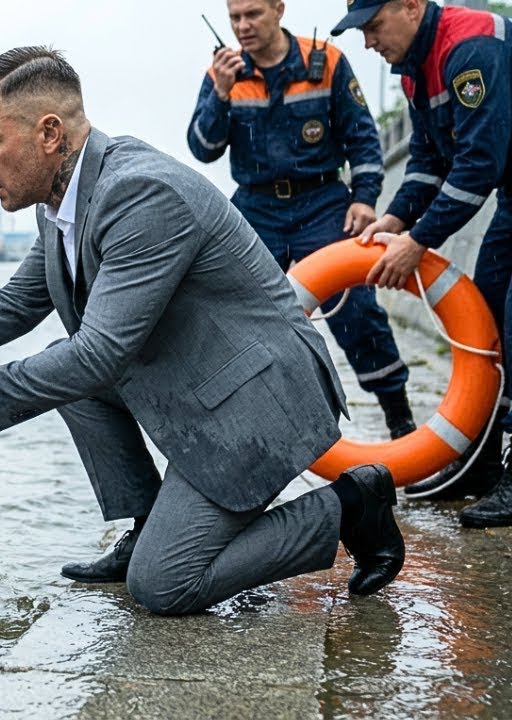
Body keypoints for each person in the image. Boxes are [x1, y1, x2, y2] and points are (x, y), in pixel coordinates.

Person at [0, 46, 406, 616]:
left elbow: (98, 355)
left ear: (50, 134)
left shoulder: (140, 194)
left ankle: (351, 505)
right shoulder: (62, 198)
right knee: (60, 366)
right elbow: (19, 302)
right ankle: (147, 524)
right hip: (203, 380)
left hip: (257, 401)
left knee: (164, 584)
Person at [188, 0, 416, 440]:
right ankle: (249, 431)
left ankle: (400, 419)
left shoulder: (326, 62)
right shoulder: (223, 73)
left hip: (322, 202)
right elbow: (202, 148)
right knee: (238, 318)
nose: (242, 26)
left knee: (357, 312)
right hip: (257, 207)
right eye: (235, 17)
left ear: (278, 9)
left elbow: (363, 138)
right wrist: (220, 93)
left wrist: (365, 199)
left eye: (253, 14)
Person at [332, 0, 512, 523]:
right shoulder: (415, 69)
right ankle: (480, 464)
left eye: (373, 27)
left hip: (501, 181)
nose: (368, 42)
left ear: (410, 7)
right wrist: (394, 220)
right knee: (488, 313)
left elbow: (478, 166)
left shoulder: (470, 48)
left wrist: (418, 241)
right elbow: (429, 163)